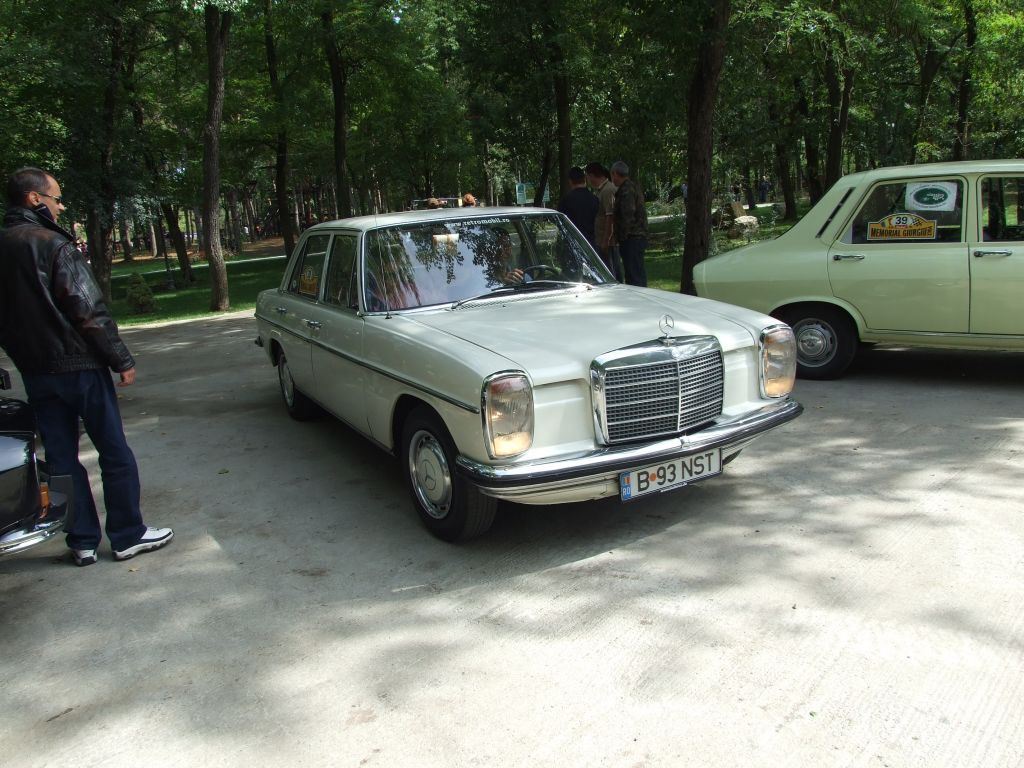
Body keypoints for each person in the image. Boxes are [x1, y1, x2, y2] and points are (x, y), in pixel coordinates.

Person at [0, 167, 173, 566]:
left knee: (60, 457)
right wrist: (120, 359)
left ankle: (81, 541)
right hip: (79, 366)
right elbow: (87, 310)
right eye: (55, 199)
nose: (59, 207)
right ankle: (128, 534)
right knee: (113, 451)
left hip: (37, 372)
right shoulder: (53, 245)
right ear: (33, 199)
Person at [610, 160, 648, 287]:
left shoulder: (626, 190)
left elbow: (628, 214)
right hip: (635, 237)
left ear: (615, 174)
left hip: (632, 238)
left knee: (634, 276)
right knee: (634, 273)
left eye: (612, 175)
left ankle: (640, 301)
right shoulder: (632, 186)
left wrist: (620, 235)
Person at [584, 162, 621, 280]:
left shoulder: (608, 190)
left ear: (592, 176)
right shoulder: (601, 190)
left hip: (609, 242)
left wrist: (606, 240)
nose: (588, 180)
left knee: (612, 272)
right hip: (601, 239)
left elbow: (610, 217)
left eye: (588, 177)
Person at [557, 166, 598, 248]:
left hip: (572, 243)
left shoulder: (566, 200)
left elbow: (560, 222)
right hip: (590, 244)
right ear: (584, 179)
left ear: (570, 181)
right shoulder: (594, 199)